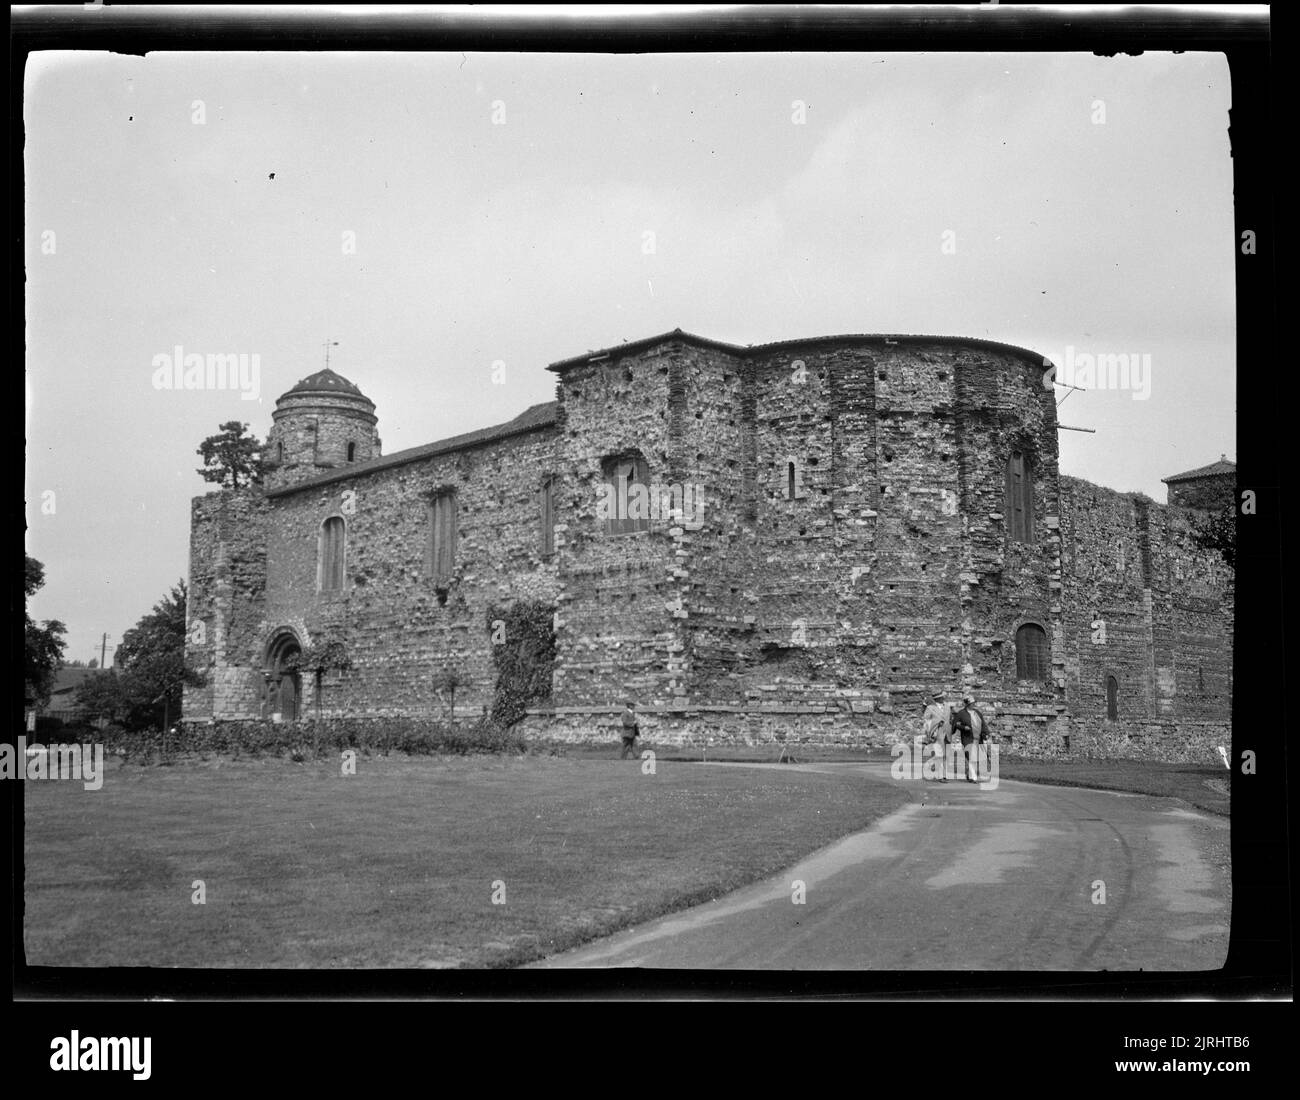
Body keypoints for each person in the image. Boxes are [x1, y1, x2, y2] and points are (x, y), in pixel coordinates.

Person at [950, 695, 988, 782]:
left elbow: (983, 724)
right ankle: (973, 777)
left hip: (978, 739)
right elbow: (955, 724)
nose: (973, 705)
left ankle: (969, 774)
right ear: (967, 704)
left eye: (973, 703)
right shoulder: (961, 713)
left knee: (976, 758)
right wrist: (963, 728)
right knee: (971, 757)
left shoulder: (977, 713)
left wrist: (986, 733)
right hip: (968, 738)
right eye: (971, 703)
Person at [921, 691, 951, 782]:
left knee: (946, 755)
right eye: (941, 697)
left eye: (943, 696)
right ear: (937, 698)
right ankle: (940, 776)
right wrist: (936, 723)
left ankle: (944, 775)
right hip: (936, 734)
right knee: (940, 755)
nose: (943, 698)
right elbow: (926, 721)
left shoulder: (947, 706)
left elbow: (950, 718)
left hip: (947, 734)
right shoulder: (930, 708)